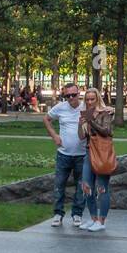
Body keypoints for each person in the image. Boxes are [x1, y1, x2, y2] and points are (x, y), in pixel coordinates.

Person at [44, 82, 86, 228]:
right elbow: (46, 119)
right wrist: (54, 135)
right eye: (67, 95)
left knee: (81, 186)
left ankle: (77, 214)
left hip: (82, 154)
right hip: (64, 154)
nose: (71, 98)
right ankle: (58, 213)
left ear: (79, 93)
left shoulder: (86, 107)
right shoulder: (60, 108)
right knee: (59, 184)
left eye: (73, 95)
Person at [78, 87, 115, 231]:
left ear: (98, 99)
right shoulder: (85, 114)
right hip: (89, 152)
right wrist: (81, 124)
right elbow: (81, 137)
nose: (89, 102)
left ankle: (101, 221)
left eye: (92, 99)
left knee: (102, 188)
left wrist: (91, 121)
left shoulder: (105, 113)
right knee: (86, 186)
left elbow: (106, 131)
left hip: (102, 153)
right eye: (87, 99)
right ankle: (93, 218)